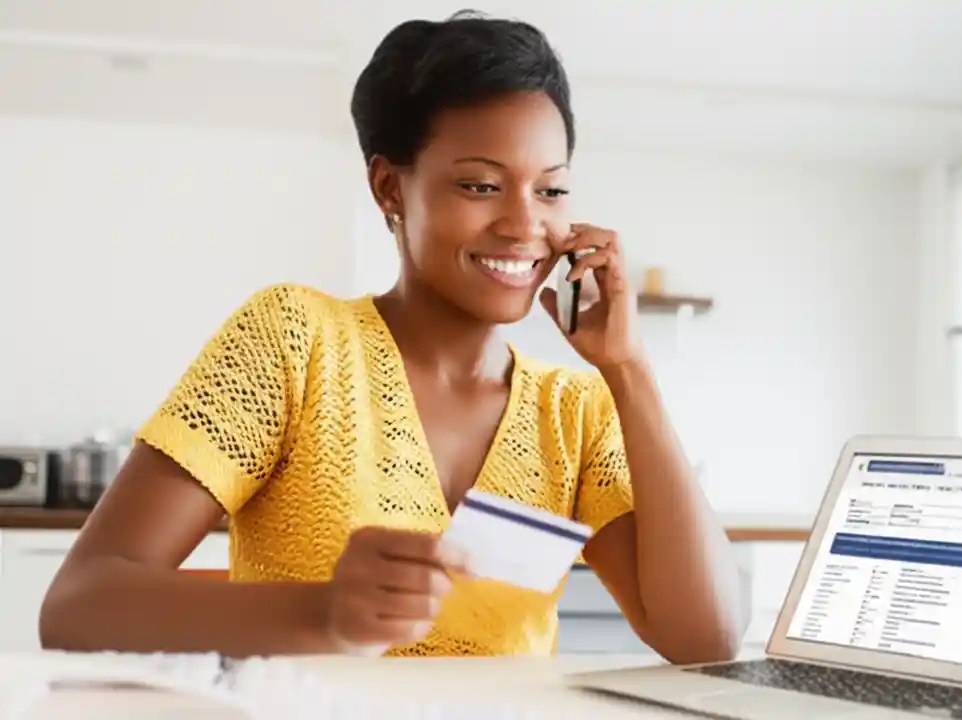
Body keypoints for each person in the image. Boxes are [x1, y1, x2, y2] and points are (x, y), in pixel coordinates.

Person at [39, 12, 744, 662]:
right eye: (480, 186)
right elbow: (78, 605)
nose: (525, 224)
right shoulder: (294, 341)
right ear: (390, 189)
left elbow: (704, 637)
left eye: (551, 191)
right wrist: (324, 614)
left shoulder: (575, 410)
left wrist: (629, 370)